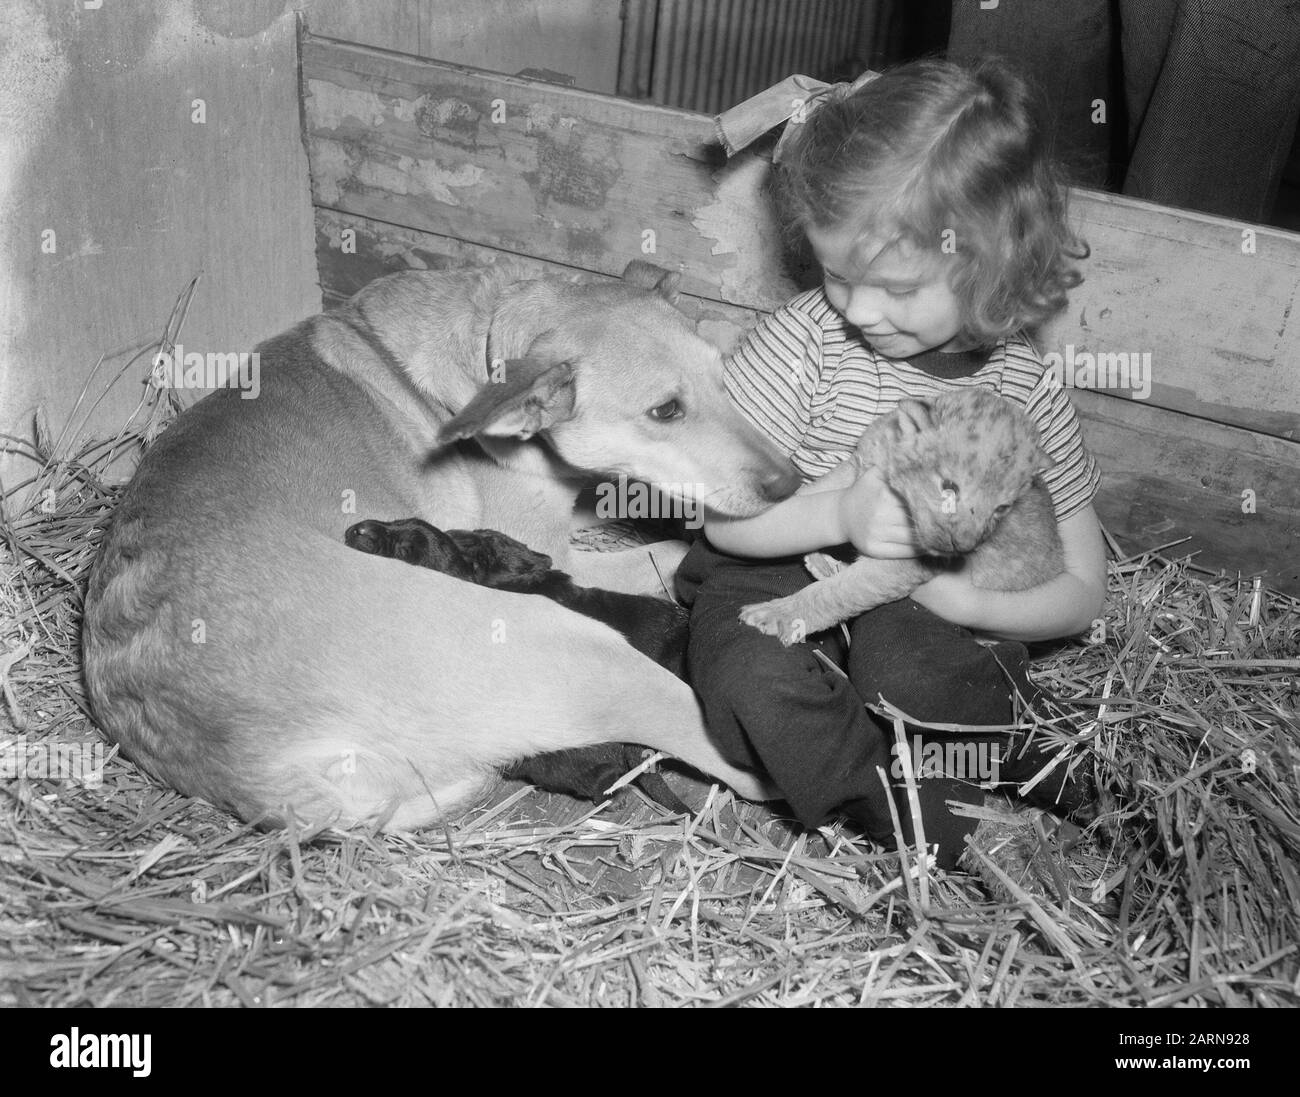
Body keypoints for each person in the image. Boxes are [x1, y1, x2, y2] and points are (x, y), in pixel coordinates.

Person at [678, 58, 1107, 870]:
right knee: (749, 676)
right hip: (775, 556)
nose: (860, 309)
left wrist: (963, 599)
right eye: (838, 274)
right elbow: (722, 520)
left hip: (930, 592)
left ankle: (1053, 770)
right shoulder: (806, 343)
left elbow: (1084, 591)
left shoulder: (1024, 384)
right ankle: (903, 822)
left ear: (994, 265)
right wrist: (838, 516)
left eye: (898, 288)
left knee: (915, 671)